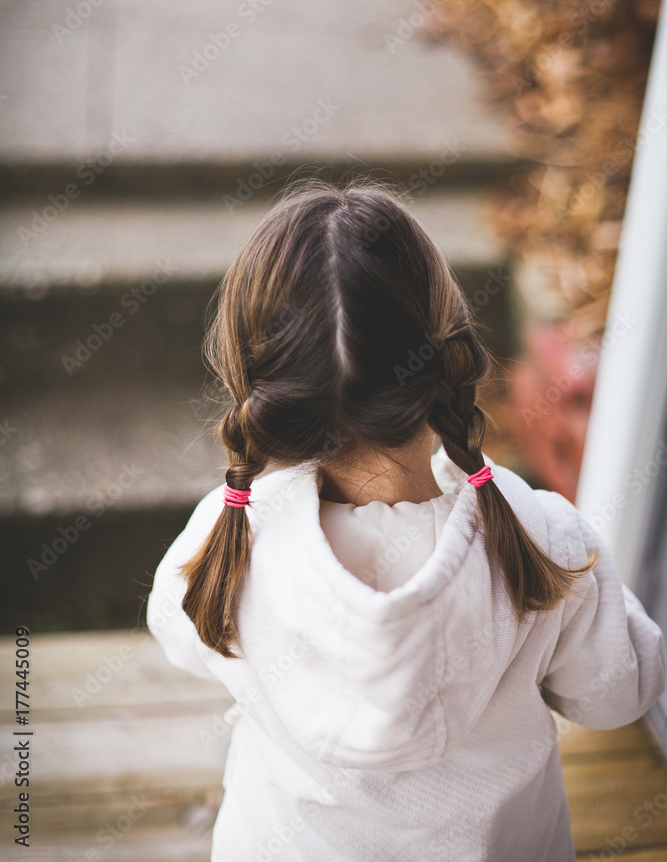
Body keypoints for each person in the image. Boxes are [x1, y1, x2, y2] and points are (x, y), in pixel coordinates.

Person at [147, 180, 666, 862]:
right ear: (446, 354)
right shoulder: (538, 533)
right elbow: (617, 696)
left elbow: (182, 638)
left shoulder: (235, 531)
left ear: (261, 382)